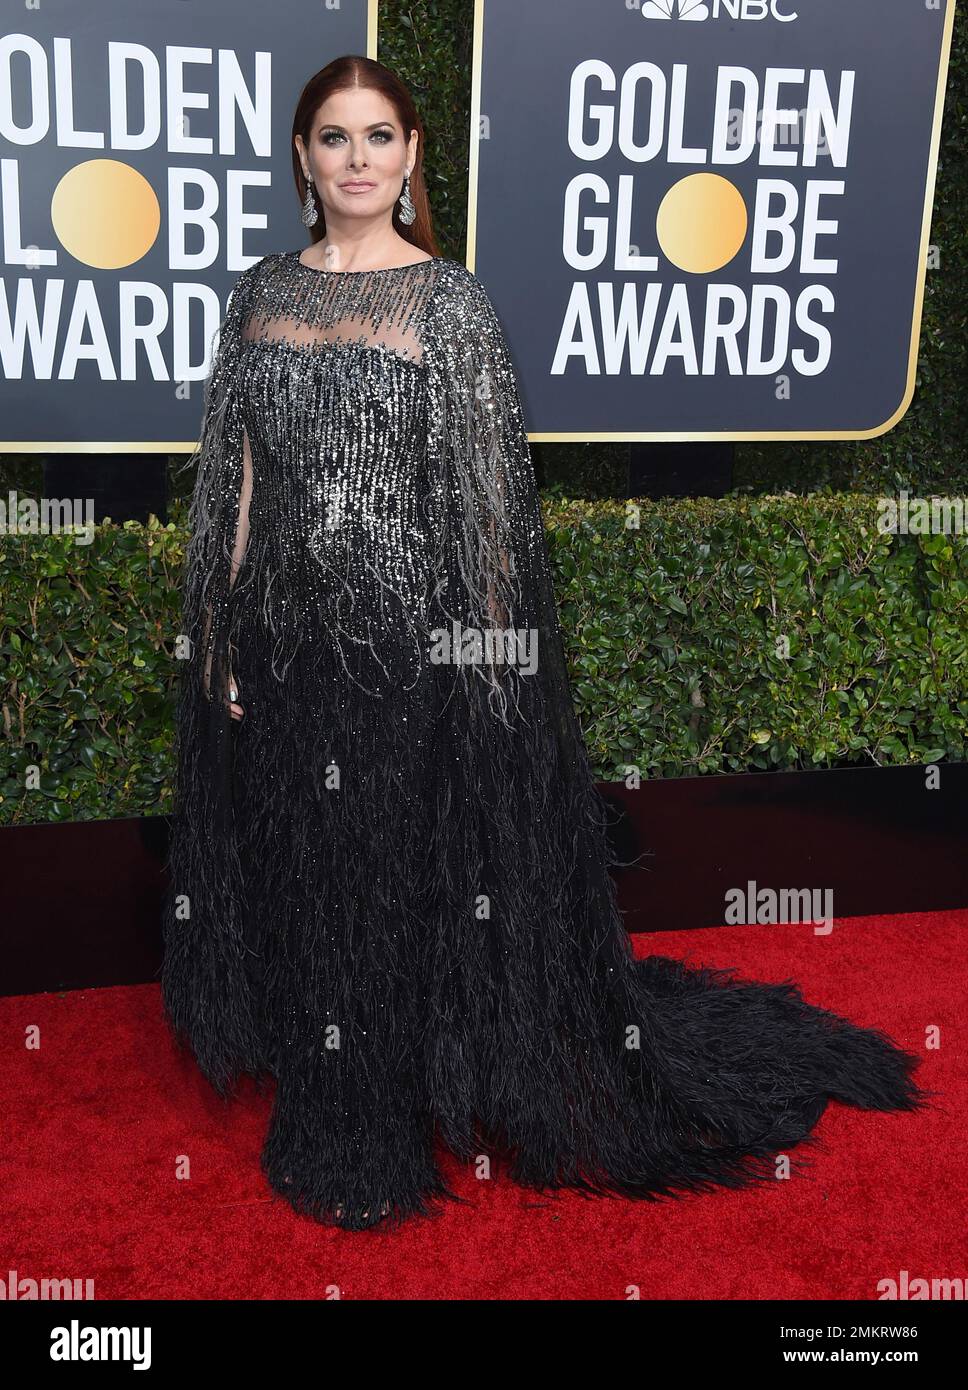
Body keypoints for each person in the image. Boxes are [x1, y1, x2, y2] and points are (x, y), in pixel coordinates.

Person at [161, 56, 930, 1231]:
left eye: (378, 136)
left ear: (414, 157)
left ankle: (371, 1122)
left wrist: (484, 668)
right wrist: (217, 633)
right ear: (302, 157)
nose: (357, 159)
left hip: (405, 651)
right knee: (305, 872)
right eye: (333, 137)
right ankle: (327, 1082)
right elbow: (243, 482)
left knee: (380, 872)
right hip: (284, 645)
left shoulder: (449, 304)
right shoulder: (258, 294)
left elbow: (484, 512)